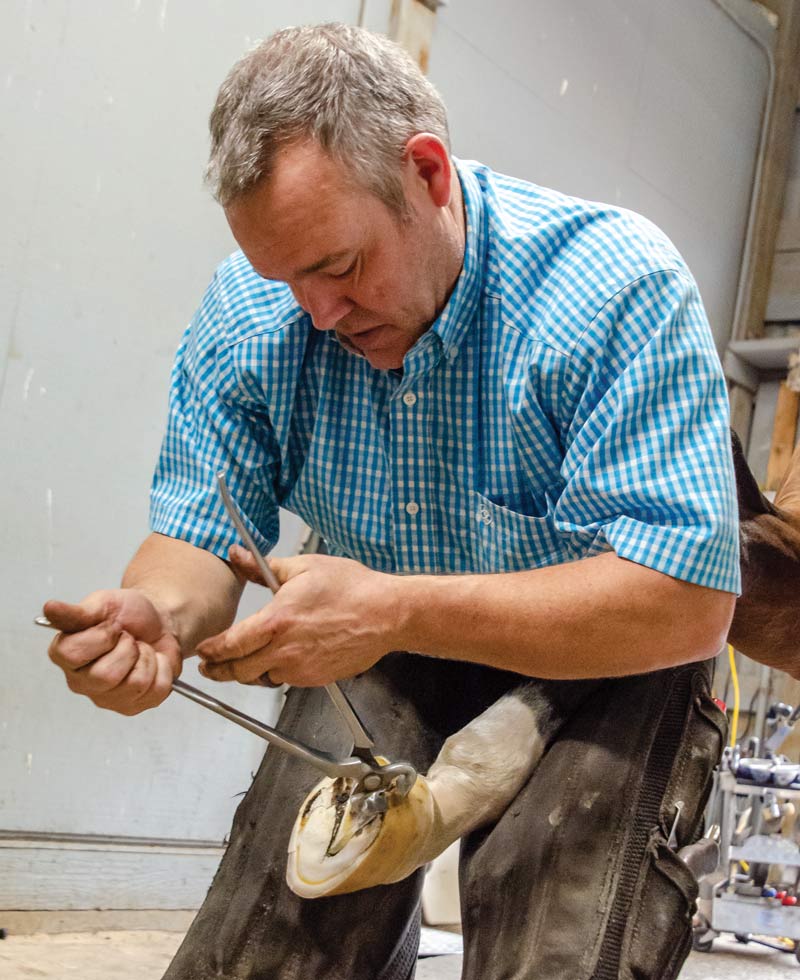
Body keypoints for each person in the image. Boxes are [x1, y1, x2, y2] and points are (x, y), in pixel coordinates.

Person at [44, 23, 741, 980]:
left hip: (603, 656)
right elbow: (197, 536)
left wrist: (396, 608)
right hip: (379, 645)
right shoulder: (254, 315)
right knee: (267, 957)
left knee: (555, 951)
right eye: (285, 278)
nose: (318, 313)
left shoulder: (615, 287)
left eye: (339, 267)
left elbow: (689, 605)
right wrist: (157, 615)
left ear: (427, 173)